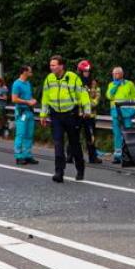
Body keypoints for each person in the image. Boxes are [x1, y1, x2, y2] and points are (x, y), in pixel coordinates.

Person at [38, 55, 92, 183]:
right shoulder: (49, 79)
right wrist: (43, 114)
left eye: (54, 65)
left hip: (71, 114)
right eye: (50, 65)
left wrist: (87, 110)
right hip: (56, 115)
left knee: (74, 144)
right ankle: (59, 172)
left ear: (61, 66)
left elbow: (83, 94)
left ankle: (80, 169)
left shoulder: (72, 78)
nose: (51, 67)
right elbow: (45, 97)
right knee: (58, 144)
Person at [71, 60, 103, 165]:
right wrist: (82, 105)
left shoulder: (94, 83)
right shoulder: (75, 83)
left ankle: (93, 157)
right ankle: (70, 156)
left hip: (90, 115)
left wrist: (89, 106)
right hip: (78, 114)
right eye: (84, 71)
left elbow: (97, 97)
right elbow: (72, 97)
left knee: (91, 136)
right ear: (80, 72)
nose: (87, 73)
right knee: (74, 135)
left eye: (88, 71)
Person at [106, 66, 135, 165]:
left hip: (127, 113)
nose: (114, 75)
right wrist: (115, 86)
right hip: (116, 113)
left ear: (121, 74)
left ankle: (128, 155)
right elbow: (109, 96)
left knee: (128, 135)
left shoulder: (129, 84)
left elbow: (134, 97)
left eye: (116, 73)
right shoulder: (111, 84)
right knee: (117, 135)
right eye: (113, 74)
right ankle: (117, 156)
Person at [10, 66, 39, 165]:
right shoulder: (16, 84)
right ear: (24, 72)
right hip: (21, 112)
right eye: (30, 71)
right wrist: (27, 102)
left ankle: (27, 155)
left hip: (29, 112)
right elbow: (14, 99)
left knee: (29, 134)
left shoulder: (28, 83)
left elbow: (29, 97)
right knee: (21, 134)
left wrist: (33, 100)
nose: (31, 73)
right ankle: (18, 156)